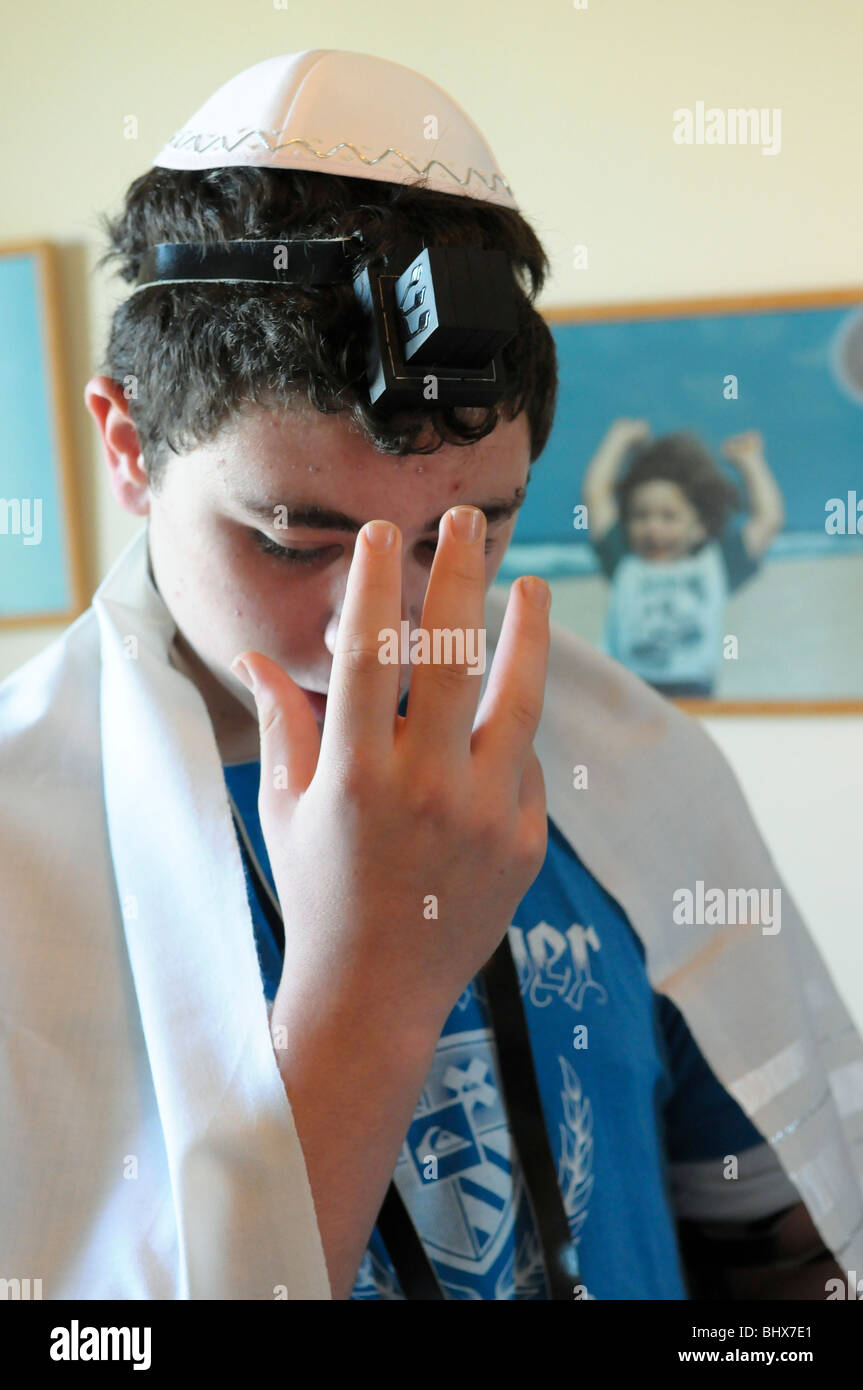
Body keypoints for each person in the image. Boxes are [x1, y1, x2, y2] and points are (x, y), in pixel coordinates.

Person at [1, 50, 860, 1303]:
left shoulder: (623, 764)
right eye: (298, 540)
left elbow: (773, 1243)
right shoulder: (23, 841)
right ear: (128, 446)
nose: (389, 632)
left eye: (469, 536)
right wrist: (374, 989)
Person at [582, 419, 785, 697]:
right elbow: (596, 494)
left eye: (669, 516)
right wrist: (619, 438)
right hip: (627, 691)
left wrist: (751, 462)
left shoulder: (716, 565)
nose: (653, 527)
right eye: (641, 515)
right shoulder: (623, 562)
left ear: (699, 525)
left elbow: (768, 520)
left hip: (695, 692)